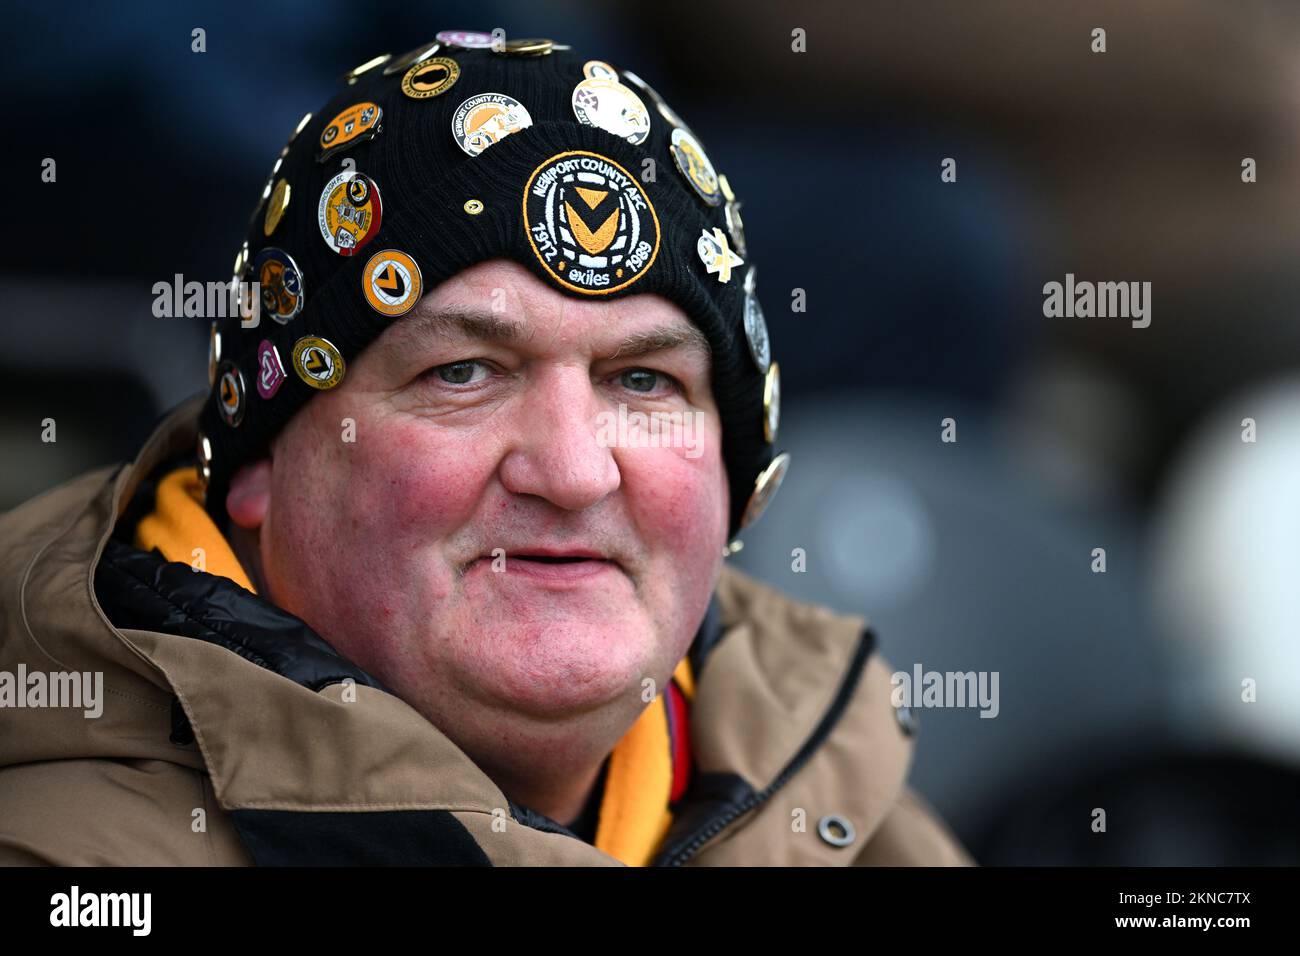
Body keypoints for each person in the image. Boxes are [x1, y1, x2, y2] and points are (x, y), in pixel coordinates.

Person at [0, 32, 971, 866]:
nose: (572, 468)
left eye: (643, 381)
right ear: (258, 459)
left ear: (735, 474)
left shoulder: (842, 798)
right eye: (463, 371)